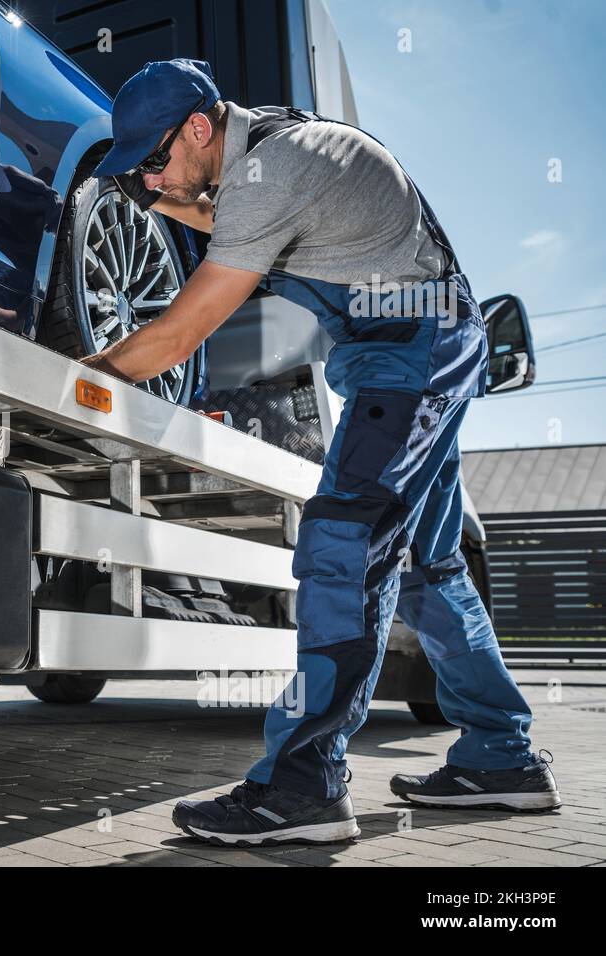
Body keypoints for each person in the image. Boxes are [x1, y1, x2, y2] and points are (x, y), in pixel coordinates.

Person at [83, 58, 559, 846]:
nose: (148, 175)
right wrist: (166, 195)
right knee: (430, 568)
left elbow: (176, 335)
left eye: (154, 159)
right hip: (426, 347)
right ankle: (502, 758)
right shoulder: (271, 148)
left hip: (409, 360)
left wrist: (76, 376)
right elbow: (240, 226)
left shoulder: (276, 170)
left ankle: (303, 786)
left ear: (198, 128)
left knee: (341, 545)